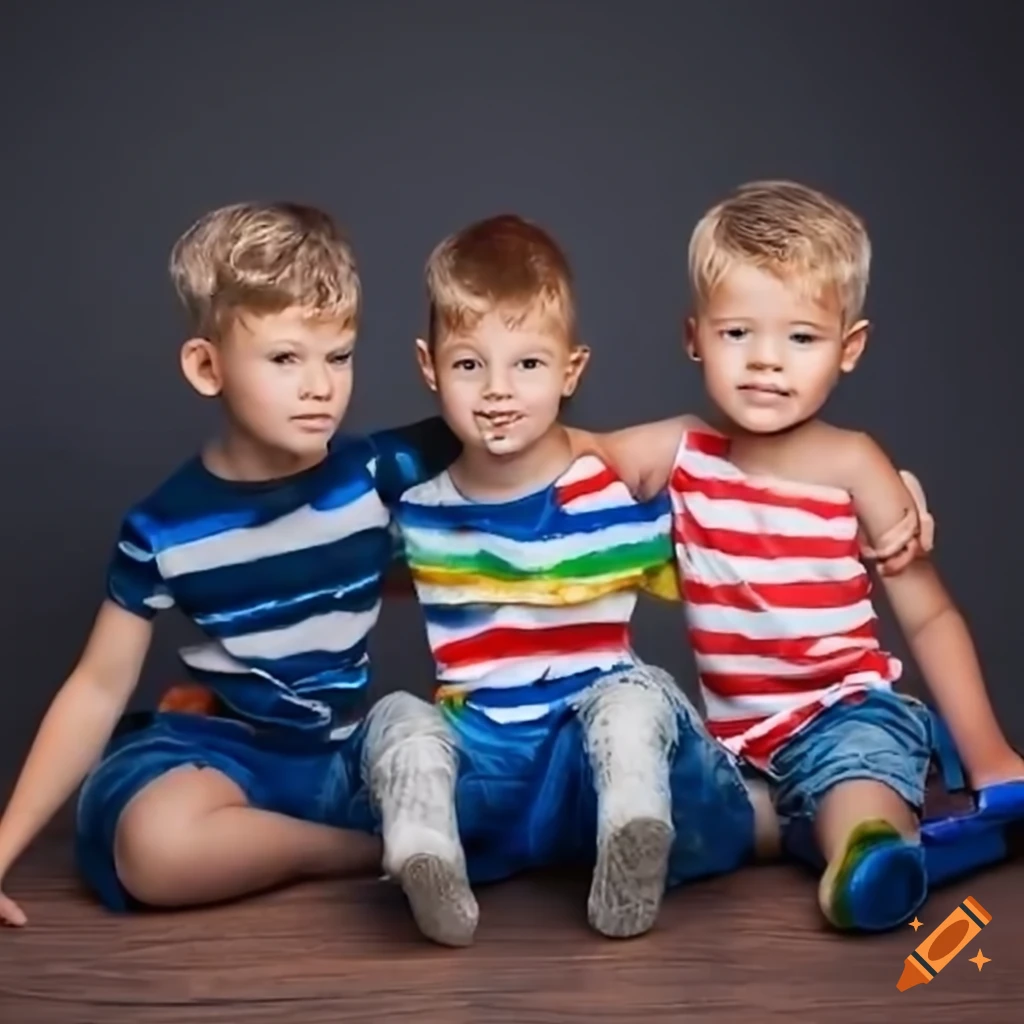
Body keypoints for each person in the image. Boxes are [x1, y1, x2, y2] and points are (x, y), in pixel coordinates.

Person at [389, 213, 925, 939]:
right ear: (432, 369)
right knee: (397, 724)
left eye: (527, 365)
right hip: (545, 765)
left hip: (658, 751)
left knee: (638, 697)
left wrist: (888, 499)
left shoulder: (632, 496)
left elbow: (758, 522)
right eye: (468, 366)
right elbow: (322, 579)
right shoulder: (418, 515)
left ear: (569, 371)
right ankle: (427, 851)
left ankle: (663, 829)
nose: (497, 391)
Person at [0, 202, 478, 948]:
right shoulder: (163, 528)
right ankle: (361, 854)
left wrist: (645, 446)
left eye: (339, 356)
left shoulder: (379, 472)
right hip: (235, 757)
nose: (320, 385)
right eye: (286, 358)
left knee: (508, 795)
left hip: (349, 750)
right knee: (154, 849)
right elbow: (97, 686)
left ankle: (407, 836)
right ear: (206, 365)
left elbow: (521, 420)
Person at [569, 180, 1024, 931]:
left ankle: (869, 854)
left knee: (857, 775)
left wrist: (993, 757)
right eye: (737, 333)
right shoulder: (682, 449)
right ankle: (801, 829)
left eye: (801, 338)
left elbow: (931, 613)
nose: (766, 362)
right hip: (739, 746)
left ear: (850, 348)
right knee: (679, 799)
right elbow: (571, 454)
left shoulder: (855, 465)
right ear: (694, 337)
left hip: (845, 710)